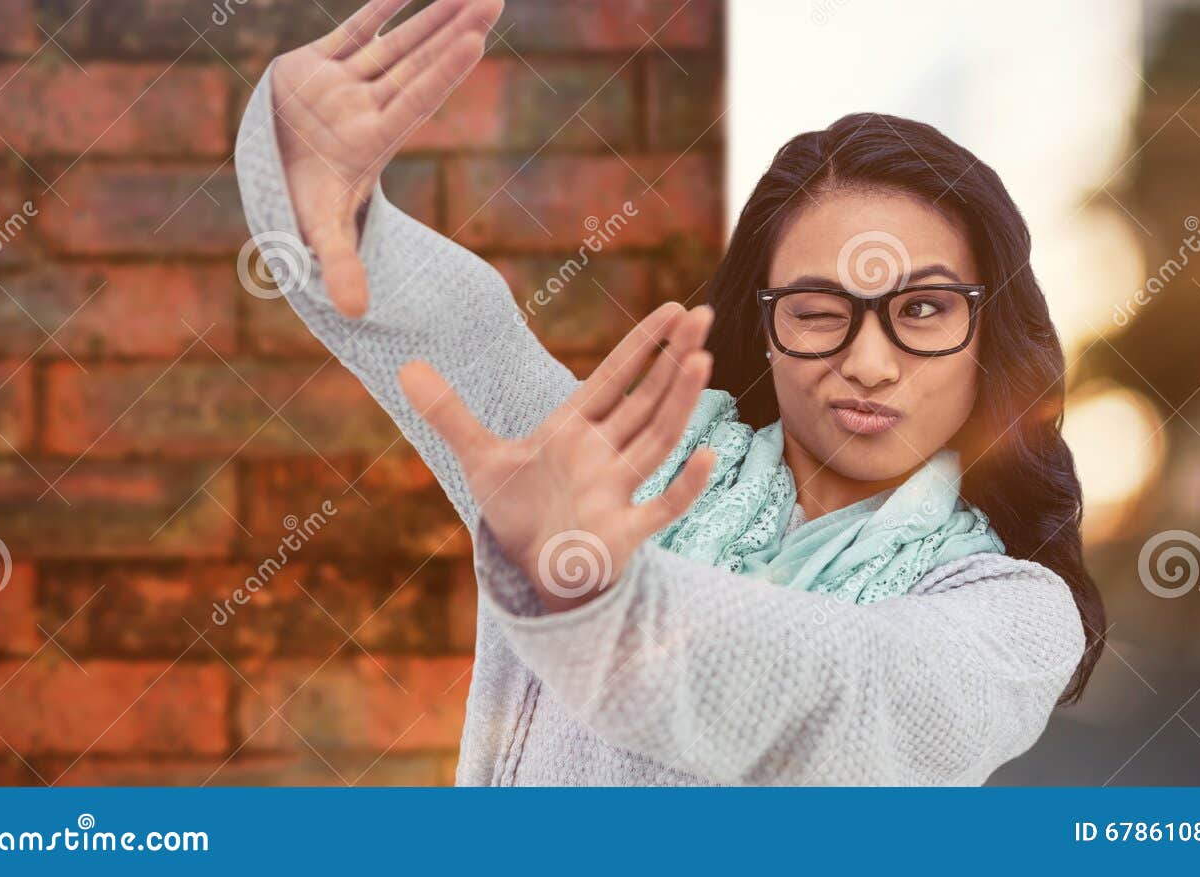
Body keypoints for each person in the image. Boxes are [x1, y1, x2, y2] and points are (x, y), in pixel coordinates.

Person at [234, 0, 1103, 785]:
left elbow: (854, 692)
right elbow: (464, 336)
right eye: (816, 310)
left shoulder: (1012, 610)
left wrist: (599, 594)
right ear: (764, 327)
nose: (870, 362)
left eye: (921, 307)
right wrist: (325, 207)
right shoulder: (613, 458)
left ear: (988, 329)